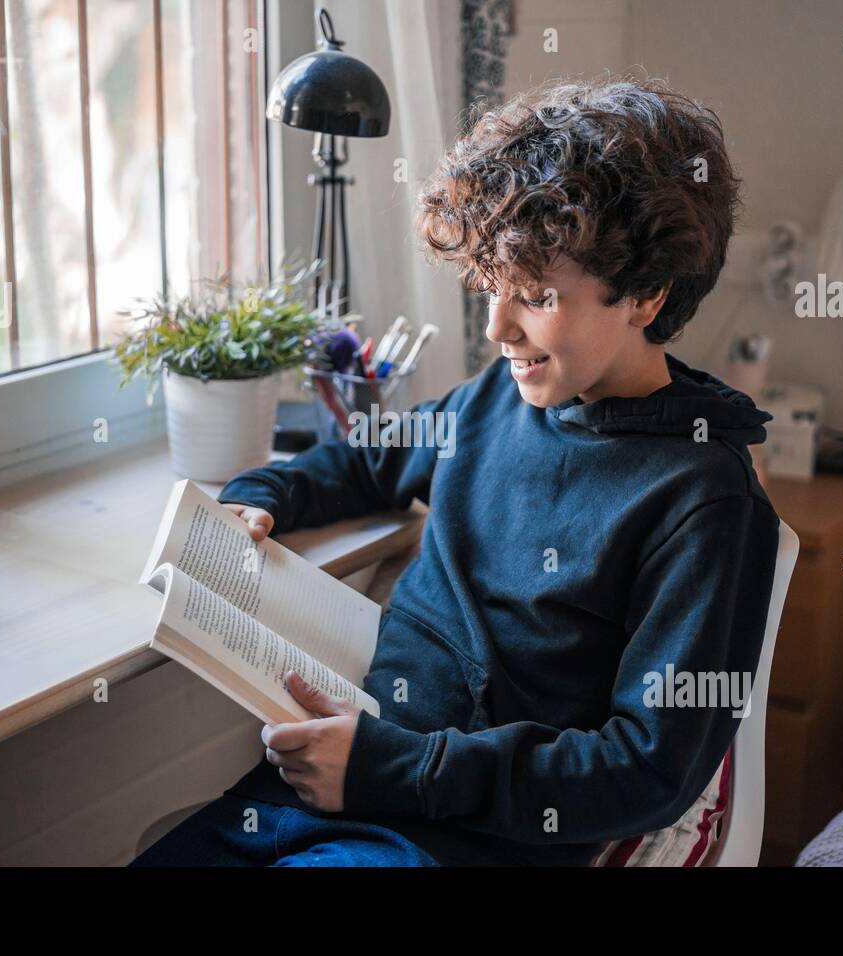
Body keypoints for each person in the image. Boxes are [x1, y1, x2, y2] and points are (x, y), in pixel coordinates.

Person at [132, 76, 779, 867]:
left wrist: (390, 769)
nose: (499, 327)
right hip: (338, 778)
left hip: (467, 833)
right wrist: (259, 496)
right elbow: (365, 459)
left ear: (645, 295)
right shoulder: (490, 404)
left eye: (535, 296)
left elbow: (648, 769)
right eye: (489, 289)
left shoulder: (704, 499)